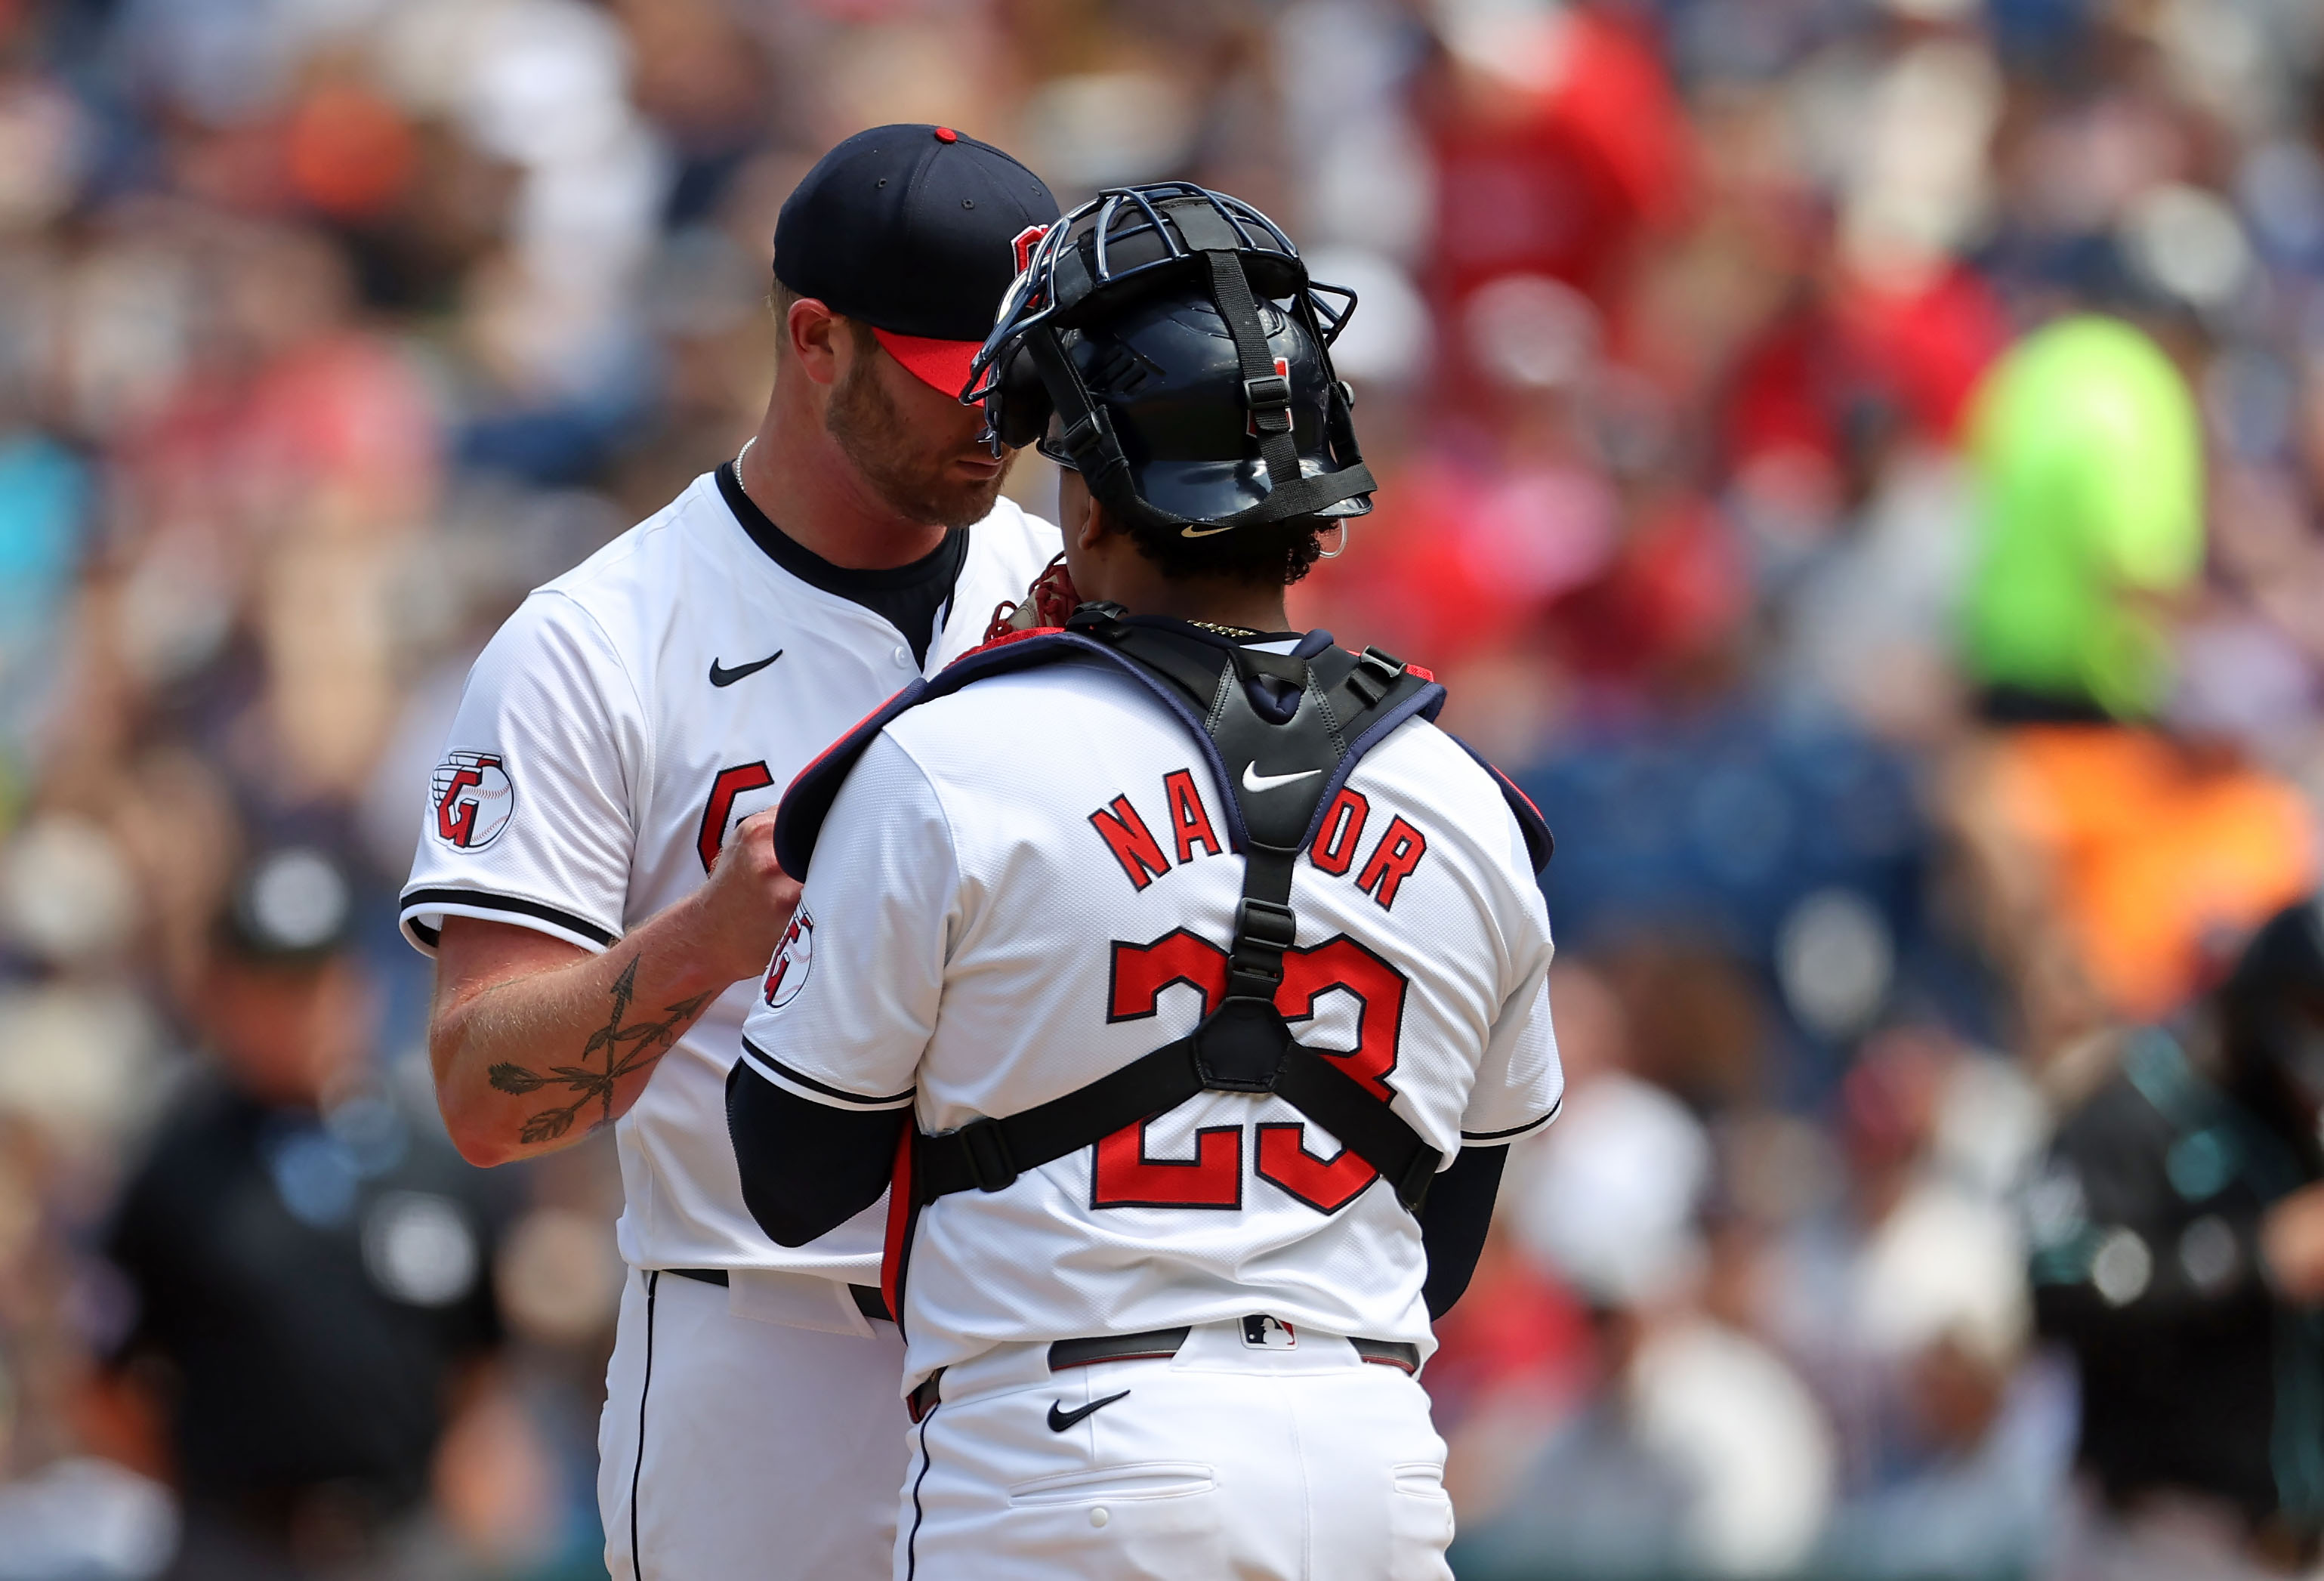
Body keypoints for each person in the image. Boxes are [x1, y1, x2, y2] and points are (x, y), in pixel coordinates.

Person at [725, 183, 1563, 1580]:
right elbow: (1450, 1238)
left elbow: (790, 1173)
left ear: (1094, 488)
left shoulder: (955, 760)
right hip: (1371, 1459)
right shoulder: (1470, 803)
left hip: (1070, 1458)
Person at [398, 126, 1060, 1581]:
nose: (994, 420)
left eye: (1018, 376)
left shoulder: (1067, 591)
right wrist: (704, 940)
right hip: (764, 1346)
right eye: (954, 375)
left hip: (1046, 1343)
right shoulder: (602, 640)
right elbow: (482, 1094)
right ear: (815, 340)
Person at [105, 848, 505, 1580]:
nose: (298, 1008)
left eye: (315, 979)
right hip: (236, 1544)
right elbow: (104, 1379)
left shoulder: (438, 1159)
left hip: (405, 1539)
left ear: (360, 983)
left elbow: (479, 1362)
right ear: (223, 995)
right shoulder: (176, 1167)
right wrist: (203, 1501)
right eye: (271, 985)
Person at [2029, 897, 2324, 1576]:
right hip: (2161, 1541)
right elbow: (2058, 1289)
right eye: (2312, 1010)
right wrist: (2254, 1259)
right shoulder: (2133, 1114)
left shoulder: (2304, 1133)